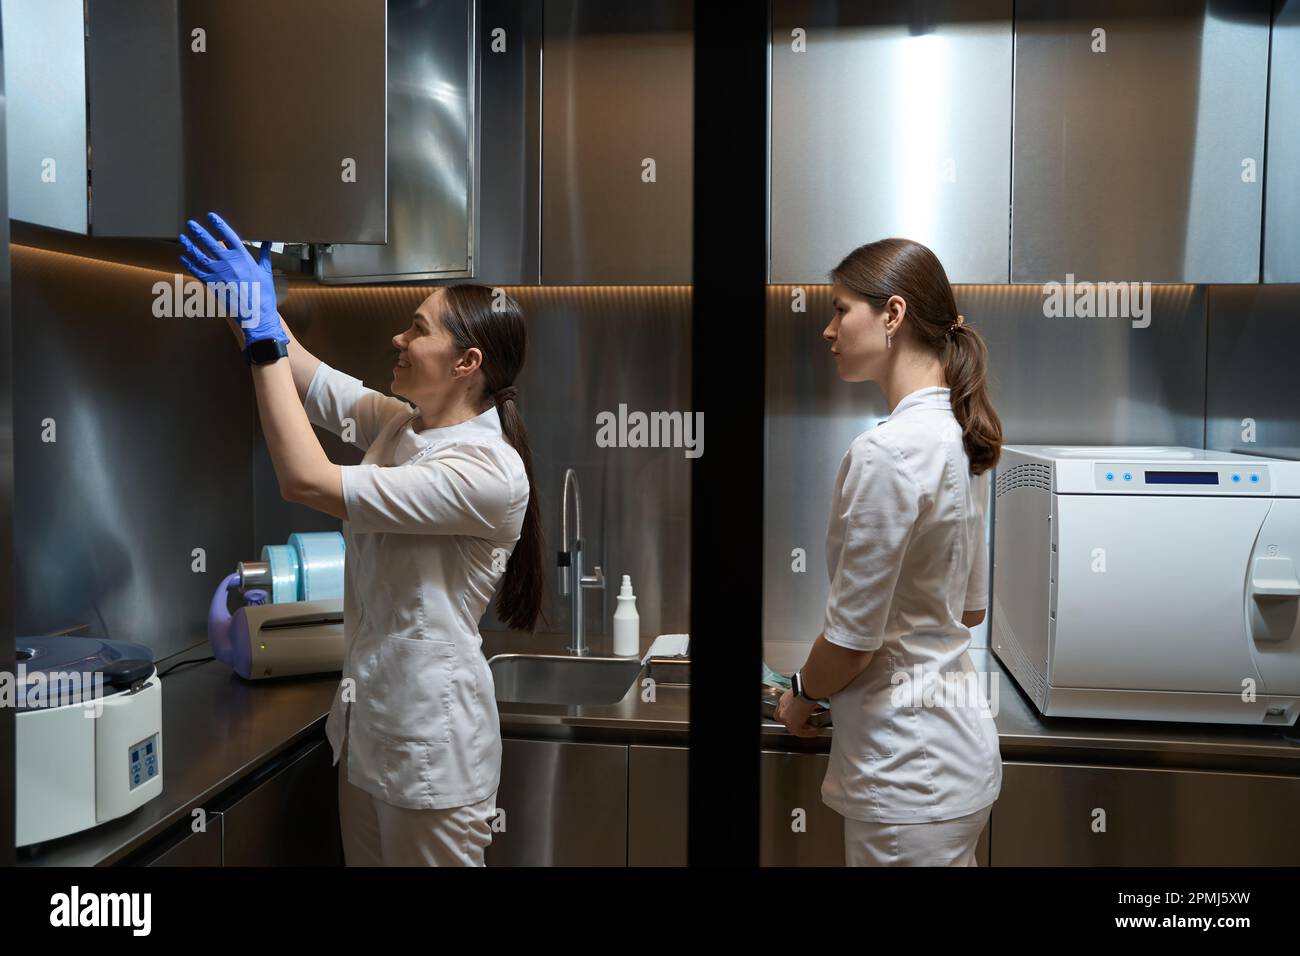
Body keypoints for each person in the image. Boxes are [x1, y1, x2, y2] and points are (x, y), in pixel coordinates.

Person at [180, 212, 545, 866]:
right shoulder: (406, 427)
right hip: (373, 739)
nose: (397, 337)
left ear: (467, 362)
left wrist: (262, 333)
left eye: (418, 328)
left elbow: (306, 480)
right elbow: (306, 375)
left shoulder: (486, 470)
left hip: (434, 762)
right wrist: (247, 306)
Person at [776, 237, 1003, 866]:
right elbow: (971, 611)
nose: (828, 329)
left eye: (840, 309)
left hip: (907, 774)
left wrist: (802, 691)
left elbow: (851, 643)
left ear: (893, 315)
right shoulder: (963, 435)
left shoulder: (888, 453)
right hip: (960, 761)